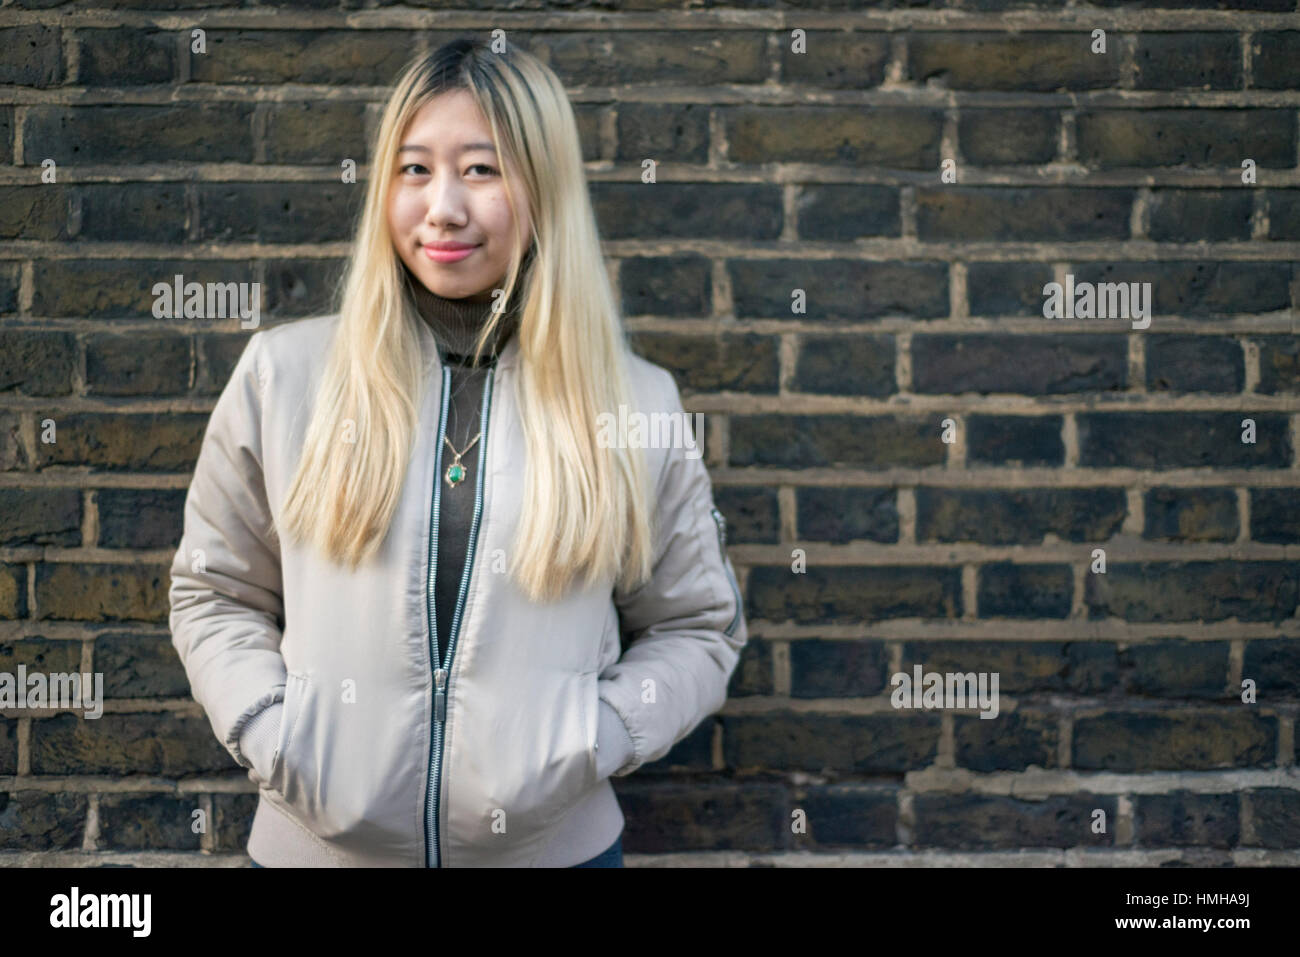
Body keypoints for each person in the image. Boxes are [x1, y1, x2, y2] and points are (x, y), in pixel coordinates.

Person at [168, 37, 748, 868]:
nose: (442, 207)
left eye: (481, 169)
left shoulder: (634, 403)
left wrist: (594, 737)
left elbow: (697, 625)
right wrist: (275, 733)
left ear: (543, 189)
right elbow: (214, 592)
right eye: (414, 170)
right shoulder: (284, 376)